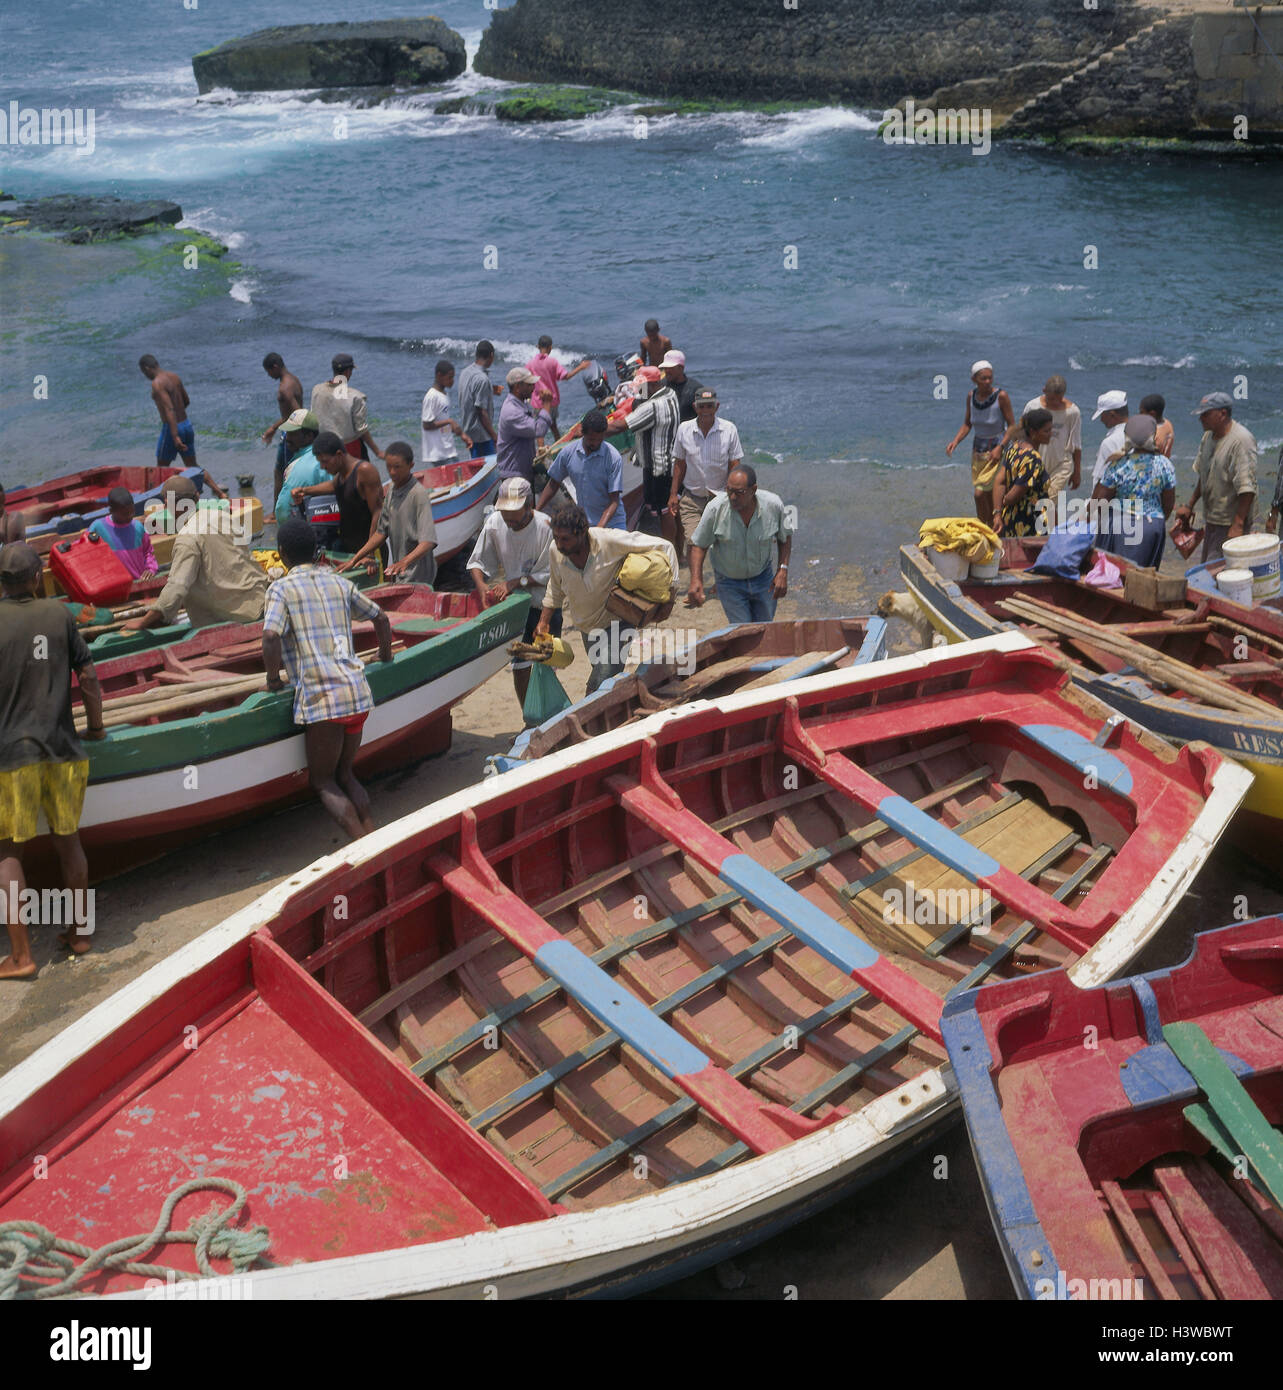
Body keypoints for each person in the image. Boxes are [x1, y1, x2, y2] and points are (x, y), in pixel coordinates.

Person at [0, 542, 105, 977]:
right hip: (64, 750)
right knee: (69, 841)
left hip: (13, 757)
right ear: (37, 578)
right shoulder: (61, 615)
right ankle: (79, 933)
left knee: (8, 854)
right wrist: (96, 727)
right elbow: (90, 676)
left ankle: (22, 957)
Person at [263, 518, 393, 840]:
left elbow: (270, 636)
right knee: (346, 773)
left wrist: (272, 680)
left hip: (324, 700)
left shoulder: (280, 588)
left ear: (281, 554)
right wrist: (385, 654)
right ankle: (374, 839)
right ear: (317, 552)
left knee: (322, 781)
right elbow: (381, 616)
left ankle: (365, 848)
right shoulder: (338, 582)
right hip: (357, 694)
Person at [534, 505, 676, 693]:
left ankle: (588, 718)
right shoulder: (555, 550)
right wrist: (543, 622)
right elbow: (555, 586)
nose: (560, 544)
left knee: (599, 683)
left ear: (582, 532)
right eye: (556, 538)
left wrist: (671, 596)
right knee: (604, 677)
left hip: (618, 621)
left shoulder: (609, 540)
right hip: (586, 626)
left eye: (565, 539)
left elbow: (666, 546)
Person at [122, 477, 268, 631]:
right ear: (198, 497)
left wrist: (142, 623)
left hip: (235, 618)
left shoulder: (187, 538)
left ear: (167, 504)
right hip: (261, 601)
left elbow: (176, 588)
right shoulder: (222, 516)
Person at [468, 477, 559, 705]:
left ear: (529, 506)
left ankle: (546, 714)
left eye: (515, 517)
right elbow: (477, 562)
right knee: (520, 665)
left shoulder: (545, 527)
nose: (509, 522)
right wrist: (482, 588)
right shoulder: (495, 523)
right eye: (506, 516)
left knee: (544, 665)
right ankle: (529, 717)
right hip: (516, 609)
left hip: (544, 606)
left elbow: (552, 575)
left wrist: (516, 582)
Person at [687, 464, 792, 623]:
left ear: (753, 489)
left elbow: (785, 538)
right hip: (729, 582)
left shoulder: (774, 505)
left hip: (763, 579)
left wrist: (782, 570)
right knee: (742, 630)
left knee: (764, 626)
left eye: (739, 492)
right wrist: (696, 579)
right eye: (729, 490)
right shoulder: (715, 509)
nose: (733, 497)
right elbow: (700, 545)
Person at [1174, 392, 1258, 563]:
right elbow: (1204, 474)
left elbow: (1247, 488)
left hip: (1230, 522)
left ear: (1222, 414)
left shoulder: (1241, 441)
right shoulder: (1208, 436)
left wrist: (1238, 525)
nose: (1201, 419)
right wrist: (1189, 505)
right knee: (1209, 568)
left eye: (1206, 414)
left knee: (1222, 573)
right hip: (1212, 519)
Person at [338, 442, 437, 585]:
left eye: (397, 467)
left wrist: (404, 562)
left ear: (411, 465)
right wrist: (355, 560)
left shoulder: (418, 494)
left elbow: (428, 541)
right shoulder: (391, 490)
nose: (392, 472)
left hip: (418, 573)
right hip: (400, 572)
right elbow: (381, 533)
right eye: (388, 467)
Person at [1092, 414, 1177, 568]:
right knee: (1144, 578)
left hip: (1120, 524)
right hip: (1152, 527)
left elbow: (1101, 502)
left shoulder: (1118, 464)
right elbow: (1168, 503)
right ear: (1153, 436)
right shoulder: (1165, 465)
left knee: (1114, 576)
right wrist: (1154, 518)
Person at [138, 355, 228, 498]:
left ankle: (158, 501)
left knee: (160, 469)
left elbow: (169, 409)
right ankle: (219, 492)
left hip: (172, 429)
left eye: (143, 372)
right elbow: (186, 401)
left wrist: (174, 435)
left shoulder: (157, 384)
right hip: (186, 424)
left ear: (147, 368)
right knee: (192, 466)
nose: (145, 375)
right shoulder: (174, 377)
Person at [670, 388, 743, 559]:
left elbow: (735, 465)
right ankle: (697, 583)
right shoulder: (684, 429)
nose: (705, 411)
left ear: (716, 407)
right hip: (692, 499)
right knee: (694, 543)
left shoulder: (729, 429)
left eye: (709, 406)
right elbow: (679, 464)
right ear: (695, 407)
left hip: (720, 498)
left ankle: (720, 583)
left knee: (721, 544)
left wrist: (734, 496)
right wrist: (673, 494)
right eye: (701, 406)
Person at [293, 434, 387, 565]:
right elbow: (332, 486)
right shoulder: (341, 475)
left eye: (325, 461)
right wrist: (304, 491)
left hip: (370, 552)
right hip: (350, 550)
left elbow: (378, 513)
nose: (322, 467)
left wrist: (369, 555)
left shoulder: (365, 471)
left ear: (339, 454)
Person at [614, 365, 679, 543]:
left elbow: (622, 426)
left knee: (664, 512)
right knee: (655, 508)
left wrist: (592, 430)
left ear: (651, 385)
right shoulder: (669, 393)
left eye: (641, 386)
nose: (637, 390)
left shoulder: (654, 406)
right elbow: (638, 401)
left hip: (660, 466)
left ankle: (671, 549)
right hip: (650, 463)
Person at [946, 360, 1014, 527]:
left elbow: (1012, 426)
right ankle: (987, 527)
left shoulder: (1001, 397)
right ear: (974, 379)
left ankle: (992, 527)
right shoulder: (971, 396)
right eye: (983, 378)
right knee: (984, 496)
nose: (988, 381)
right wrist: (955, 441)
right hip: (978, 452)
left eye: (990, 378)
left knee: (981, 494)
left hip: (997, 452)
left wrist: (1001, 447)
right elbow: (968, 423)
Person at [537, 409, 625, 530]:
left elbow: (614, 500)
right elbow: (553, 483)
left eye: (599, 440)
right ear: (582, 433)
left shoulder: (613, 458)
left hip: (613, 524)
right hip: (586, 524)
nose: (595, 443)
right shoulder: (567, 453)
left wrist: (599, 529)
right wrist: (536, 511)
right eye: (591, 440)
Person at [310, 353, 384, 463]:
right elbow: (361, 429)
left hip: (323, 447)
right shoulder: (356, 397)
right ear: (348, 372)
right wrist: (377, 452)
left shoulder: (317, 390)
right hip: (348, 448)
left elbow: (313, 419)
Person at [1018, 374, 1080, 498]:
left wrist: (1077, 472)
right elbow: (1021, 434)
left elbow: (1076, 444)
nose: (1055, 403)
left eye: (1058, 399)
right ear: (1044, 391)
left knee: (1050, 499)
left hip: (1061, 464)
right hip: (1036, 461)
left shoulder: (1072, 412)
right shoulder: (1033, 406)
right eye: (1051, 399)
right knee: (1035, 501)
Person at [993, 409, 1052, 538]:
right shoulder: (1033, 459)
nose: (1050, 434)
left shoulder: (1014, 447)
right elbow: (1013, 496)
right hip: (1031, 523)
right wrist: (1005, 501)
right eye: (1046, 431)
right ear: (1033, 432)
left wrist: (997, 513)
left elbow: (1000, 481)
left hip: (1010, 520)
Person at [260, 352, 305, 503]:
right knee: (279, 471)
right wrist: (273, 429)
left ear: (275, 367)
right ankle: (277, 510)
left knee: (287, 474)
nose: (269, 375)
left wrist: (290, 436)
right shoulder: (294, 380)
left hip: (291, 435)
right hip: (289, 433)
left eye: (269, 371)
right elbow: (291, 414)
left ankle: (287, 508)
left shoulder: (284, 388)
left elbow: (297, 414)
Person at [496, 367, 553, 486]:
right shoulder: (512, 411)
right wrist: (546, 404)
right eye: (529, 385)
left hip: (523, 471)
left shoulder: (522, 404)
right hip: (514, 475)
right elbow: (539, 429)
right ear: (517, 387)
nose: (533, 388)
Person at [87, 487, 159, 579]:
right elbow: (86, 551)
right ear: (111, 511)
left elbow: (148, 552)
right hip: (114, 586)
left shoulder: (138, 527)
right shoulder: (98, 527)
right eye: (125, 514)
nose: (130, 516)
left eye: (132, 512)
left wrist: (150, 569)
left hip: (139, 581)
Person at [526, 336, 589, 436]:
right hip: (552, 400)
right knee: (553, 426)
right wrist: (580, 367)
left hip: (537, 400)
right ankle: (558, 447)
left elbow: (527, 381)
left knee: (539, 429)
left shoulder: (530, 363)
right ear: (550, 347)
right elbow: (566, 376)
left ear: (538, 346)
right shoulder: (552, 362)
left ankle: (541, 449)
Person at [273, 410, 324, 528]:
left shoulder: (303, 465)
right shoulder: (323, 457)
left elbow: (283, 509)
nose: (287, 438)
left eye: (292, 434)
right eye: (286, 433)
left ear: (309, 436)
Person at [420, 359, 471, 465]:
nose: (452, 381)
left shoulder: (444, 395)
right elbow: (427, 425)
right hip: (438, 452)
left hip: (448, 448)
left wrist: (461, 434)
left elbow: (442, 422)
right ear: (439, 376)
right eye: (449, 377)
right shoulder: (432, 396)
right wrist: (449, 421)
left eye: (453, 377)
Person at [457, 341, 501, 458]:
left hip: (468, 430)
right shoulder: (482, 379)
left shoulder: (464, 372)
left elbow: (470, 393)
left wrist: (490, 390)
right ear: (491, 355)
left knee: (476, 467)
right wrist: (494, 436)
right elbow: (481, 411)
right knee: (489, 469)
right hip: (481, 435)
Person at [1090, 390, 1129, 486]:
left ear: (1112, 414)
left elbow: (1100, 481)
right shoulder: (1141, 434)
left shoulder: (1110, 442)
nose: (1101, 419)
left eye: (1102, 415)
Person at [658, 350, 704, 422]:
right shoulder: (659, 386)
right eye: (665, 368)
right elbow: (642, 399)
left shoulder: (696, 389)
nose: (667, 371)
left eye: (670, 368)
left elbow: (704, 415)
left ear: (681, 368)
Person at [1140, 393, 1174, 459]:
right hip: (1165, 464)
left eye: (1141, 412)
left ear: (1152, 414)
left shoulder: (1152, 434)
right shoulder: (1168, 424)